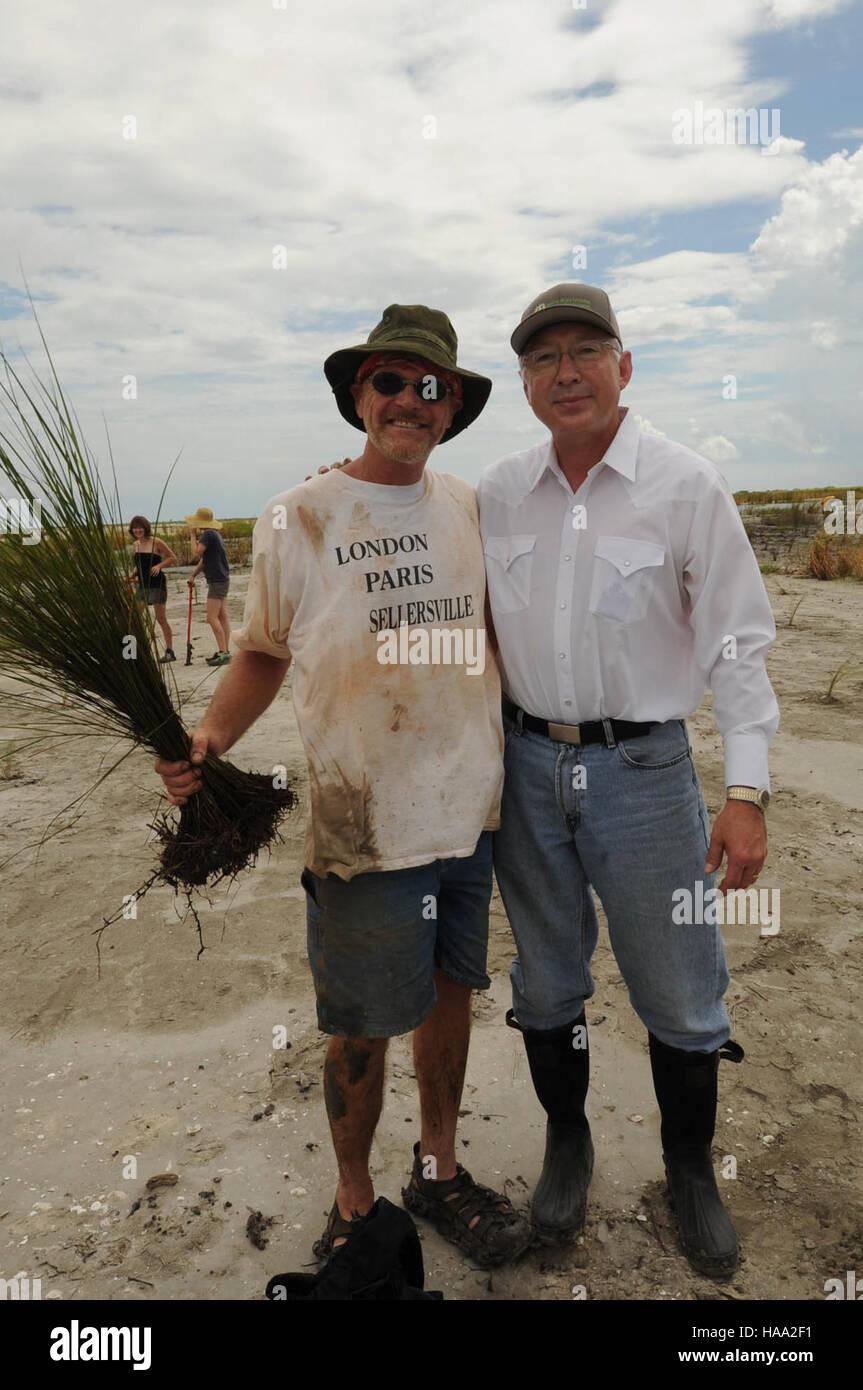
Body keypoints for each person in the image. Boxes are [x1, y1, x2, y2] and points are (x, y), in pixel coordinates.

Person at [155, 305, 531, 1269]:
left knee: (452, 999)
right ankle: (354, 1199)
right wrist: (207, 737)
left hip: (471, 816)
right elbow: (261, 652)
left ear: (453, 408)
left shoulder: (471, 508)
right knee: (360, 1024)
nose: (411, 399)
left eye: (432, 386)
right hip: (363, 824)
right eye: (390, 382)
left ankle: (438, 1169)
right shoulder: (300, 515)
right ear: (356, 396)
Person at [477, 283, 780, 1278]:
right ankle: (567, 1147)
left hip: (645, 769)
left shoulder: (684, 485)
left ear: (623, 364)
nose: (564, 372)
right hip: (525, 764)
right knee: (546, 978)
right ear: (523, 379)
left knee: (682, 988)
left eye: (584, 350)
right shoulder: (495, 494)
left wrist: (745, 790)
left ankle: (688, 1171)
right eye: (541, 357)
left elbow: (735, 640)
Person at [126, 515, 178, 662]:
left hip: (157, 584)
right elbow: (139, 565)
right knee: (134, 617)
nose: (138, 530)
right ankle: (131, 652)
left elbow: (172, 557)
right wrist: (130, 576)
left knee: (161, 618)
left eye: (140, 527)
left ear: (145, 528)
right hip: (142, 585)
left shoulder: (156, 542)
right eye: (135, 528)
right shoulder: (135, 545)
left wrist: (159, 566)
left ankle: (169, 651)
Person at [185, 507, 231, 665]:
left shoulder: (208, 534)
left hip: (217, 581)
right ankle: (225, 650)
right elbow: (205, 560)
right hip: (221, 579)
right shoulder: (214, 534)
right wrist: (193, 574)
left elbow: (196, 553)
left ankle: (223, 653)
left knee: (211, 618)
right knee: (222, 616)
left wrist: (192, 535)